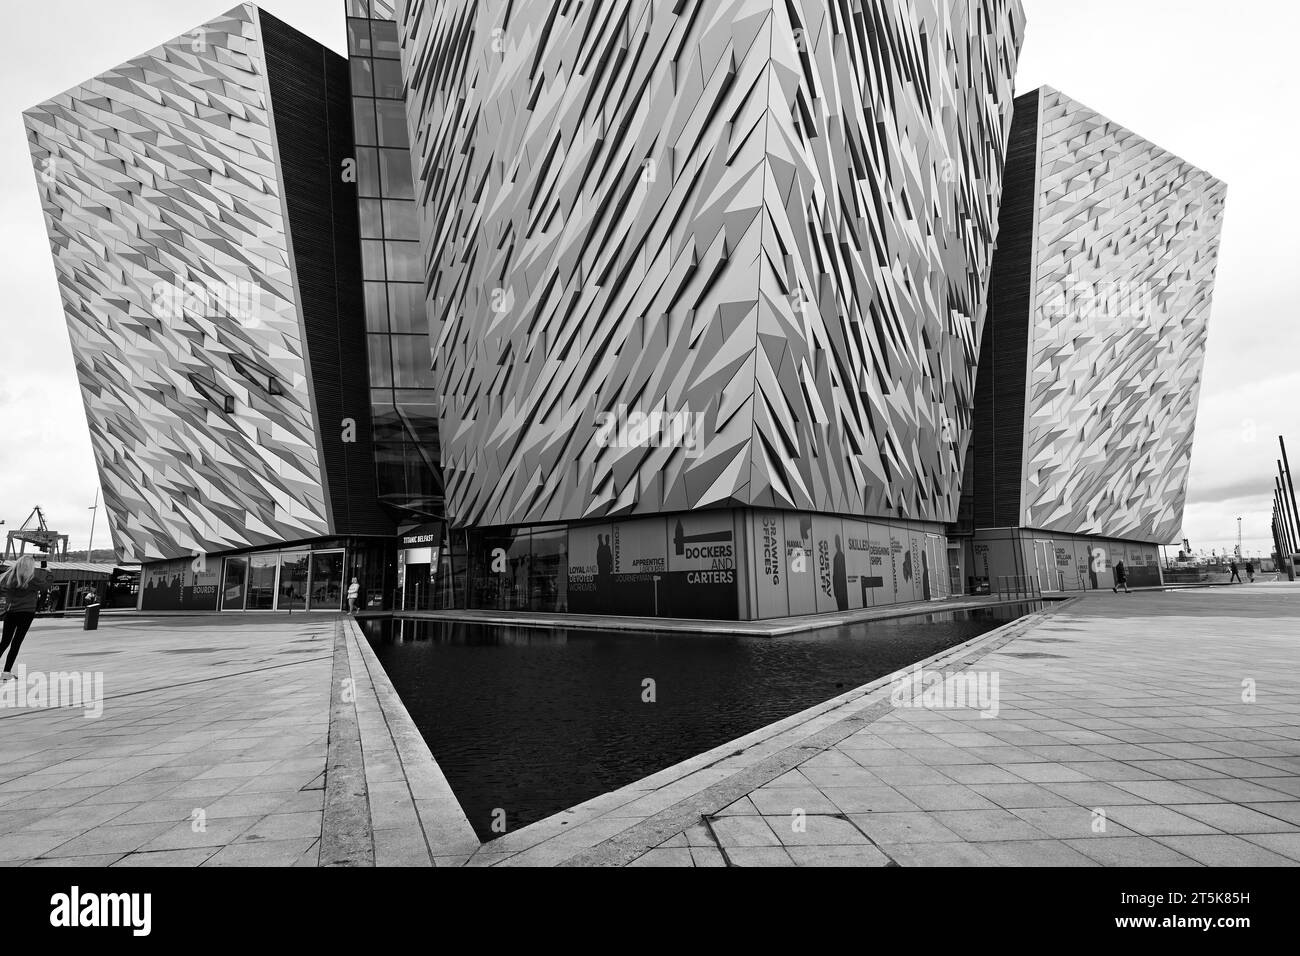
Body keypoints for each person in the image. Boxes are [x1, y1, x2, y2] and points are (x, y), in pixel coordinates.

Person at [0, 555, 51, 679]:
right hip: (26, 613)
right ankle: (6, 672)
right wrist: (48, 572)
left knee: (4, 642)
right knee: (16, 642)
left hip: (11, 612)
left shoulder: (8, 577)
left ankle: (6, 672)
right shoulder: (31, 580)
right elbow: (45, 586)